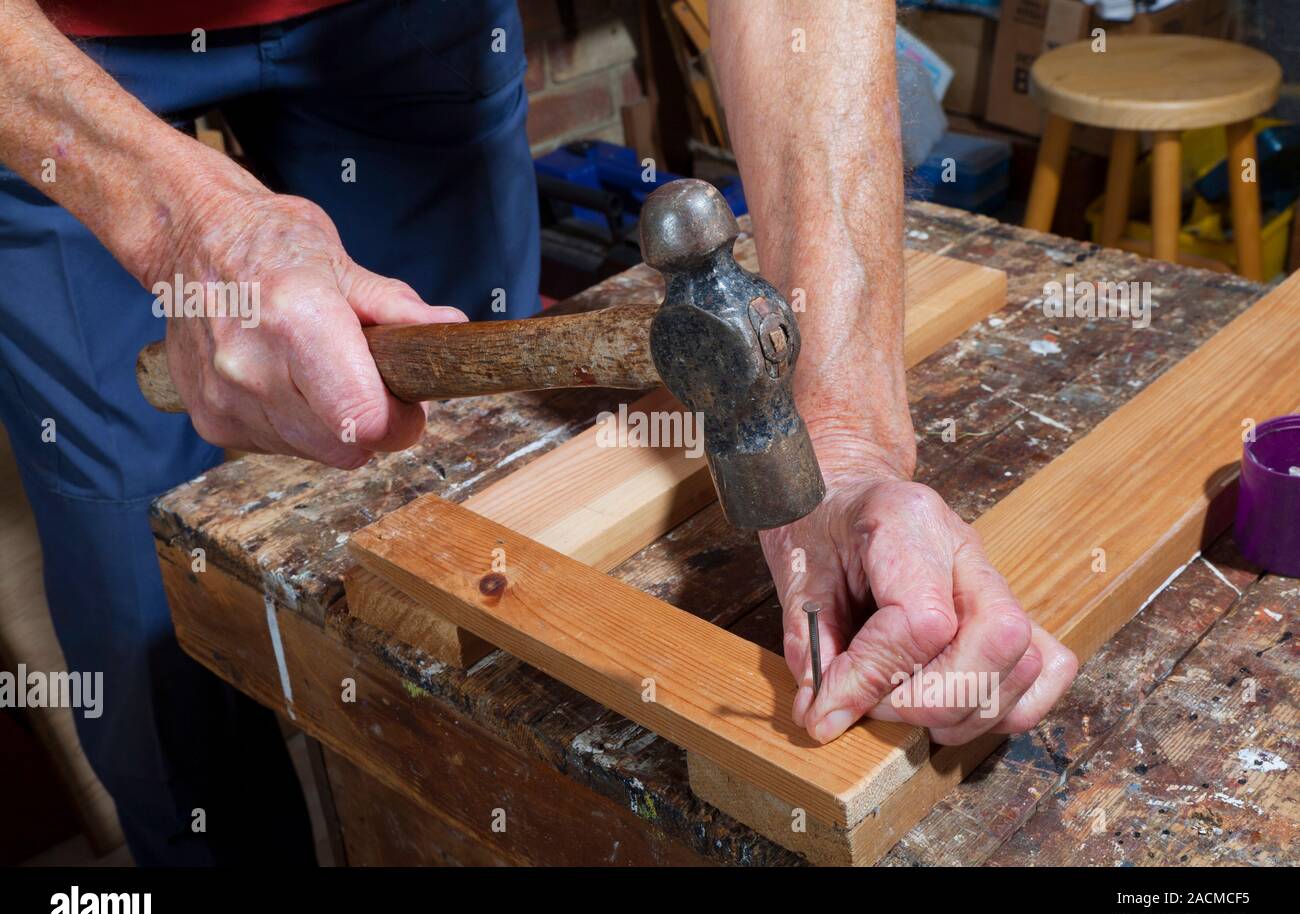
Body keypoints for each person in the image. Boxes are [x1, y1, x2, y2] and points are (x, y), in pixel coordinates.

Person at [0, 0, 1076, 865]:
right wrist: (181, 223)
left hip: (399, 22)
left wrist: (837, 441)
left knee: (452, 476)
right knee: (143, 603)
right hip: (48, 51)